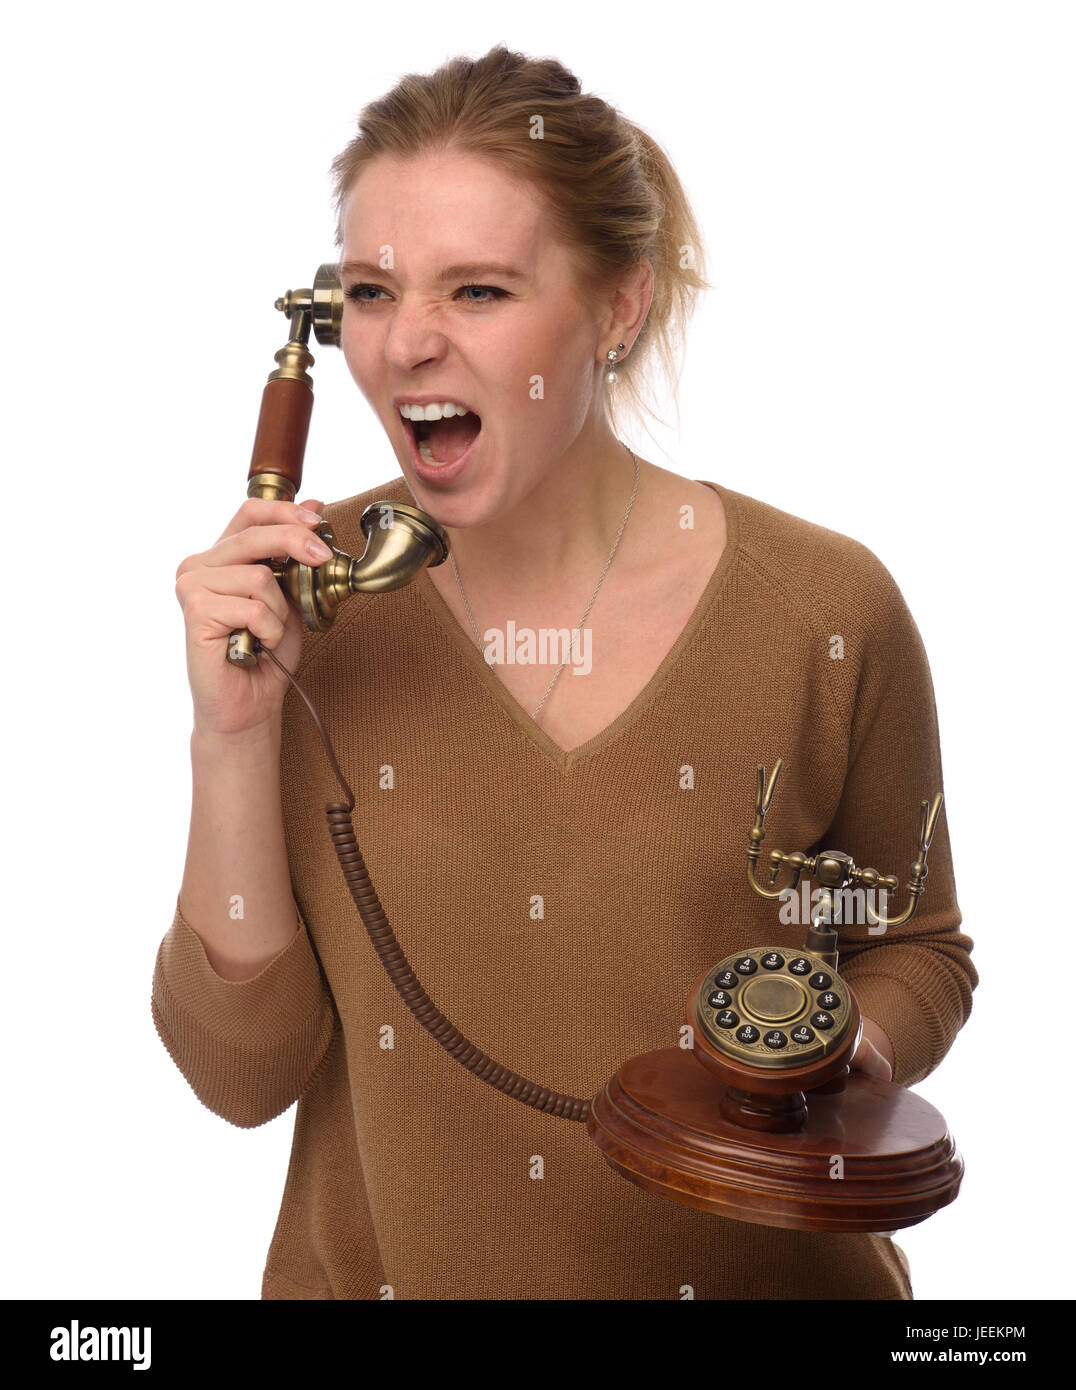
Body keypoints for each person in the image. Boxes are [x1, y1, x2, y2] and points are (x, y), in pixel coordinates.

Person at [154, 44, 976, 1300]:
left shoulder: (823, 608)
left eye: (477, 292)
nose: (408, 345)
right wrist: (231, 734)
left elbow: (915, 948)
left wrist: (818, 1053)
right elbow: (239, 1078)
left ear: (617, 307)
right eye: (371, 293)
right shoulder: (305, 610)